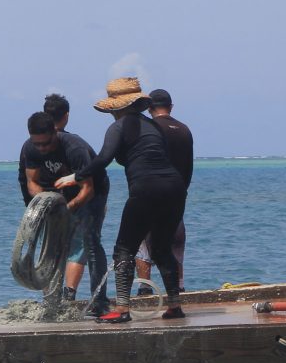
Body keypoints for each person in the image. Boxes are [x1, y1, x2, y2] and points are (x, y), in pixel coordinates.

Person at [58, 77, 187, 324]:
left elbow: (102, 160)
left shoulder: (117, 128)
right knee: (160, 248)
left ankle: (123, 309)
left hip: (145, 189)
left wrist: (75, 176)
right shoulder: (153, 126)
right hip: (175, 189)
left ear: (115, 107)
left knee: (123, 250)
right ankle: (174, 306)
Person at [19, 112, 99, 307]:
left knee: (79, 245)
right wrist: (46, 204)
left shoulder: (74, 148)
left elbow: (88, 189)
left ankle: (69, 295)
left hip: (89, 194)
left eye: (45, 144)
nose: (41, 148)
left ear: (55, 132)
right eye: (37, 144)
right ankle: (50, 299)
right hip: (55, 197)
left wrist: (68, 209)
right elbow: (32, 182)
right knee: (51, 246)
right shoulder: (31, 148)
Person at [44, 92, 110, 314]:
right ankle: (56, 298)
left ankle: (73, 295)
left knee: (85, 244)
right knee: (61, 246)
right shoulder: (69, 143)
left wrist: (72, 209)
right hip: (70, 195)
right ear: (67, 116)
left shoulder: (71, 144)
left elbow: (89, 188)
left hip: (90, 195)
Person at [134, 88, 192, 293]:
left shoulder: (148, 128)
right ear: (171, 107)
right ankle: (178, 288)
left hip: (151, 194)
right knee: (175, 245)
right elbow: (188, 168)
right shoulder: (184, 130)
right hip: (177, 196)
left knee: (143, 245)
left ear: (149, 108)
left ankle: (145, 288)